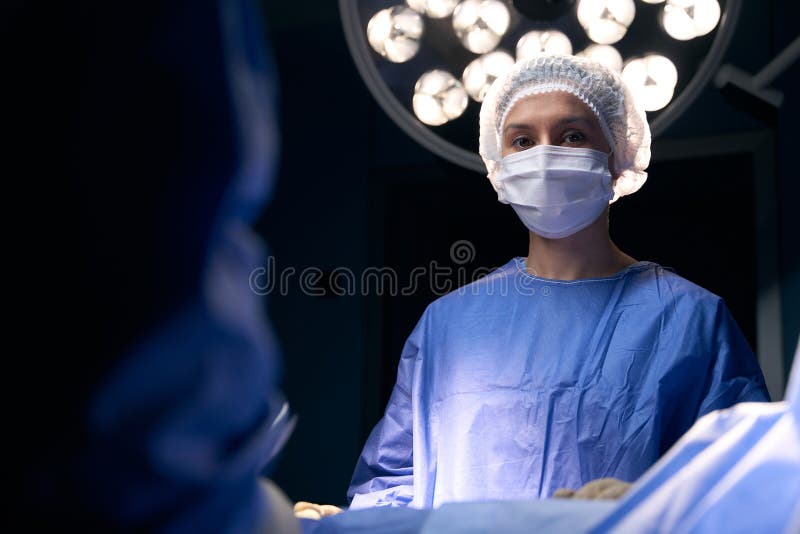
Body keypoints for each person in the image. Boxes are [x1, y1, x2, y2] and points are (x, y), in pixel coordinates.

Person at [346, 55, 770, 510]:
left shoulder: (690, 320)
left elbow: (744, 491)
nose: (544, 156)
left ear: (617, 156)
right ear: (499, 168)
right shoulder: (447, 326)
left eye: (572, 136)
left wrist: (658, 510)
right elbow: (389, 487)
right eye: (522, 141)